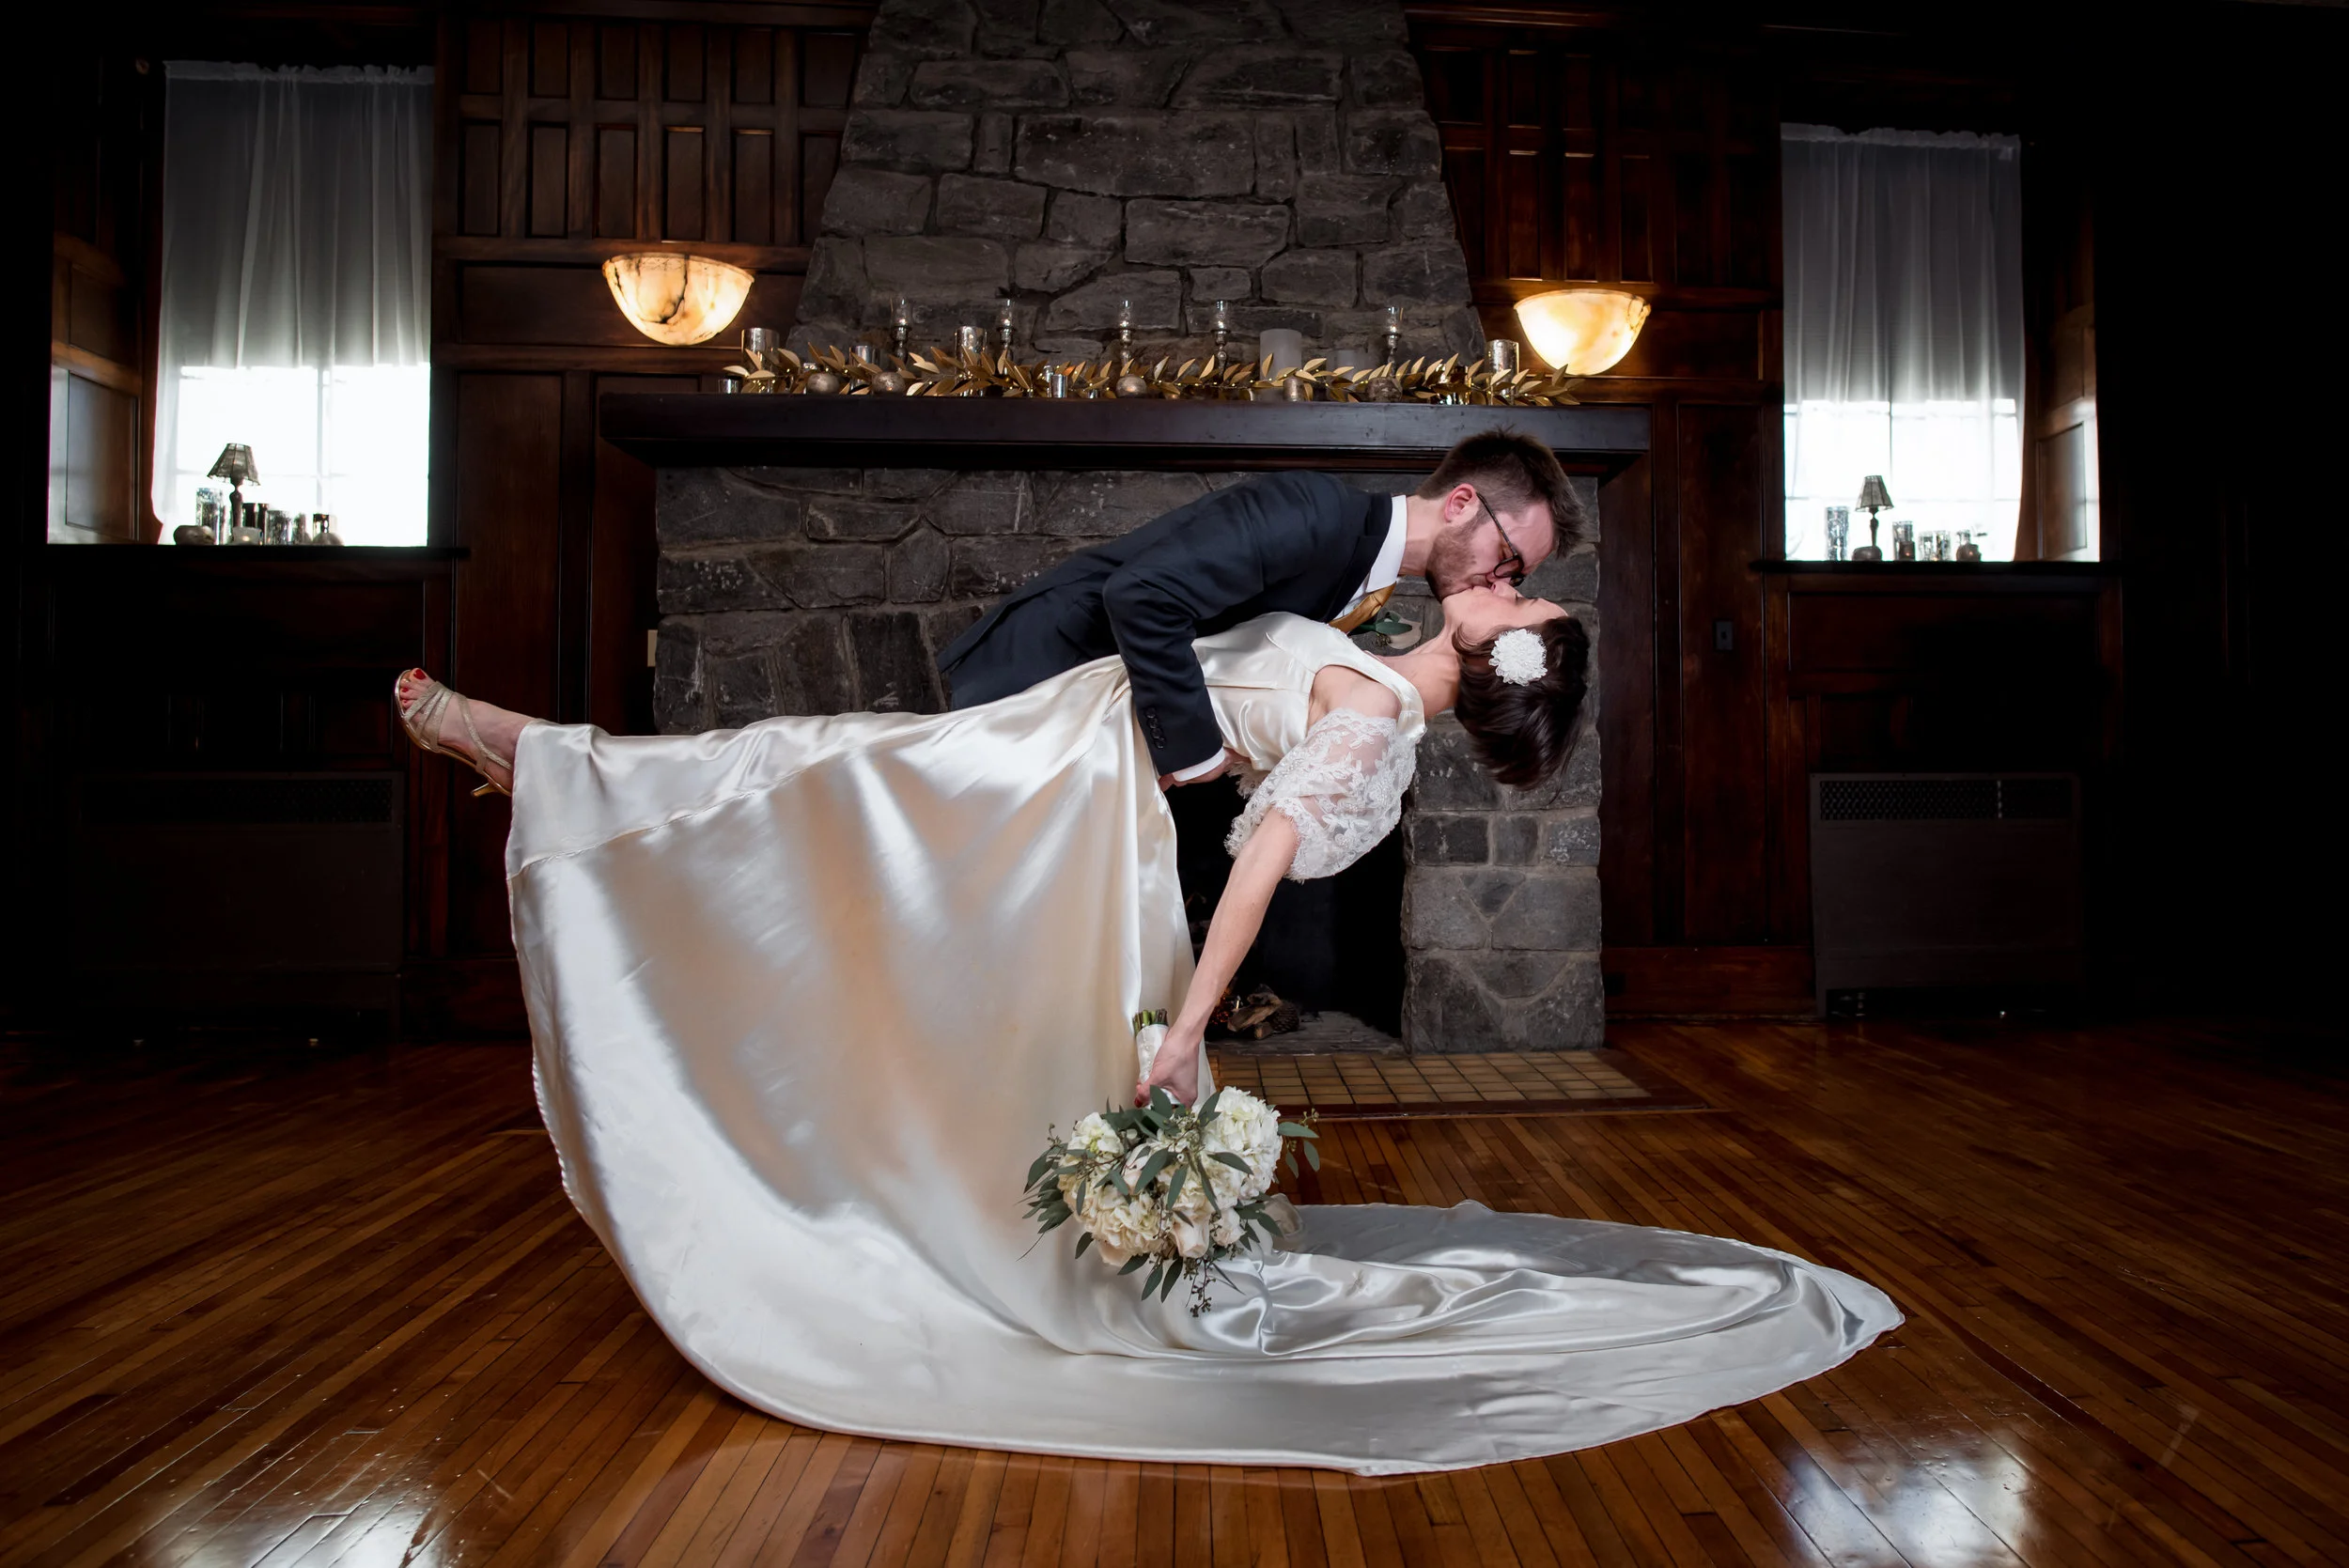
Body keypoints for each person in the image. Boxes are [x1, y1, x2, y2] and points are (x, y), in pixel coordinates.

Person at [391, 544, 1895, 1479]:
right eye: (1515, 570)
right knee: (810, 780)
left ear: (1500, 651)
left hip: (1052, 796)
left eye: (1520, 589)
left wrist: (1185, 1030)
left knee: (812, 777)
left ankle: (548, 762)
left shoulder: (1371, 725)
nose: (1503, 566)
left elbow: (1259, 863)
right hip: (1056, 747)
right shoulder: (1368, 649)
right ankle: (568, 781)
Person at [939, 428, 1583, 791]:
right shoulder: (1313, 514)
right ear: (1460, 502)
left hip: (1097, 742)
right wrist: (1191, 755)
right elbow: (1142, 594)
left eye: (1518, 577)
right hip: (1035, 687)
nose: (1501, 582)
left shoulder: (1368, 584)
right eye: (1507, 558)